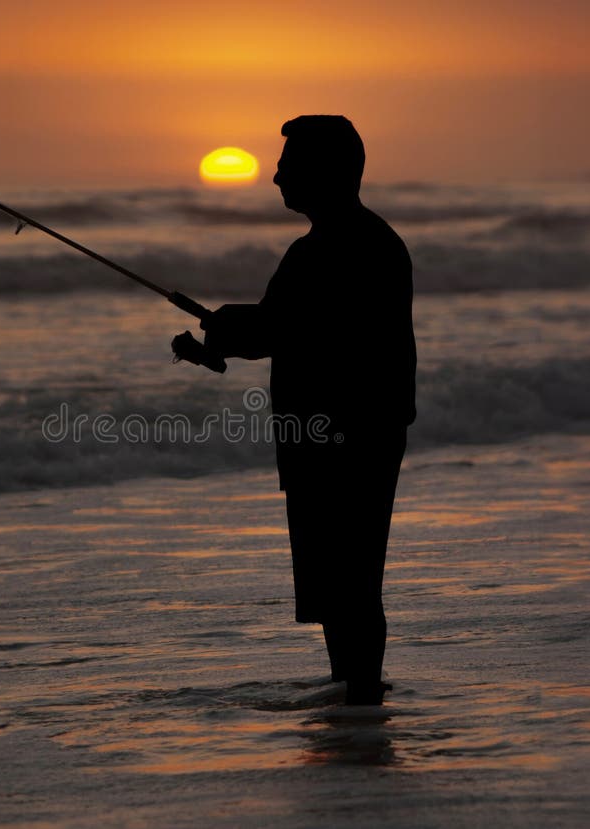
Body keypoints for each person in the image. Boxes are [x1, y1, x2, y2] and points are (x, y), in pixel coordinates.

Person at [200, 115, 417, 705]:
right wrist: (225, 331)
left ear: (324, 171)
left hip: (338, 436)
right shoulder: (372, 240)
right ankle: (355, 689)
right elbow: (294, 327)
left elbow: (278, 327)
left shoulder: (325, 250)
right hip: (362, 430)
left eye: (289, 163)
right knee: (346, 575)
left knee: (346, 576)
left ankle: (360, 696)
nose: (275, 176)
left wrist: (222, 328)